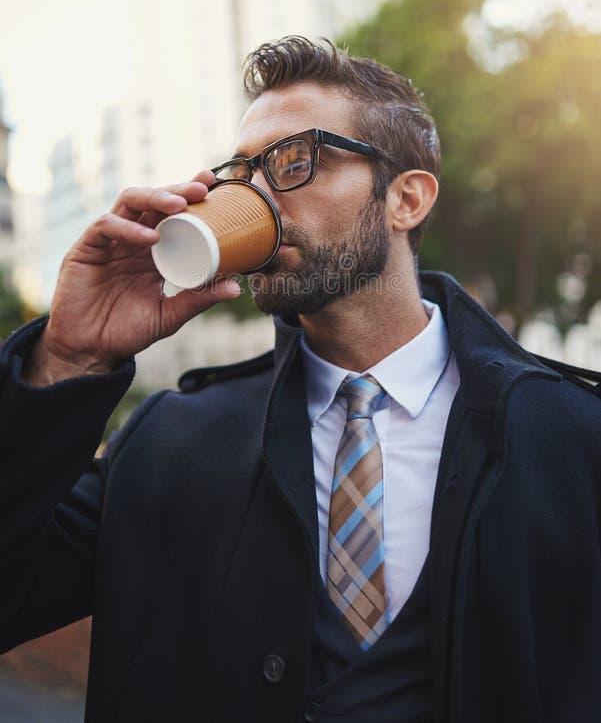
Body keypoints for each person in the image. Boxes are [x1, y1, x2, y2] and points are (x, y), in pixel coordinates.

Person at [1, 36, 600, 723]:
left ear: (405, 199)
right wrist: (69, 356)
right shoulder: (167, 438)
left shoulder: (573, 440)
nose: (255, 195)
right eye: (240, 173)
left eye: (293, 161)